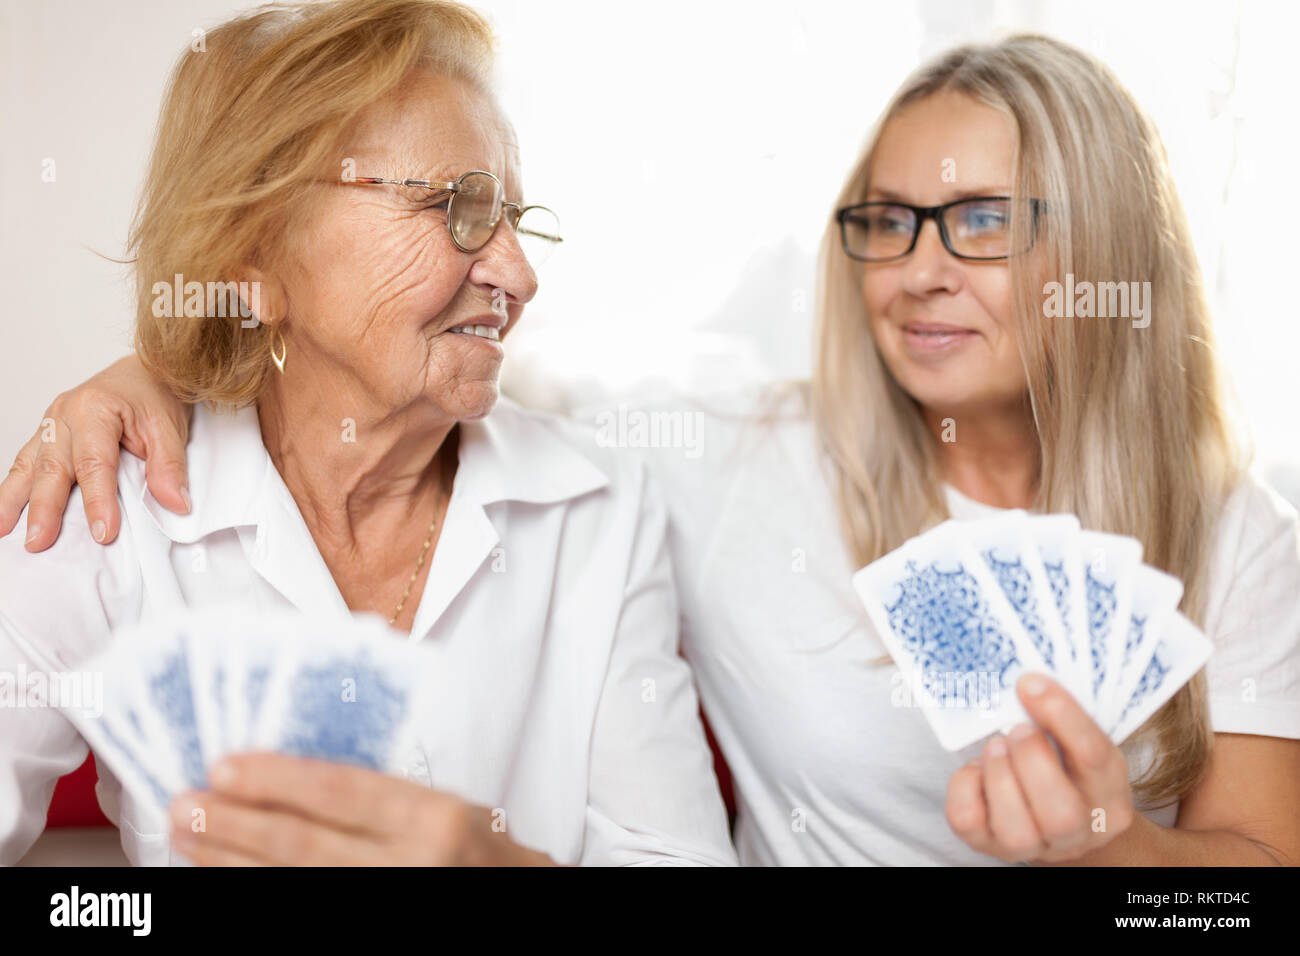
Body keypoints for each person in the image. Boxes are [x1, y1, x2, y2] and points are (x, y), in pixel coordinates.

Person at [8, 33, 1299, 865]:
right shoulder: (728, 453)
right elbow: (420, 361)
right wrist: (165, 364)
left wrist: (1115, 851)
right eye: (886, 221)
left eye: (978, 221)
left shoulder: (1246, 539)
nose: (914, 272)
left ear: (1111, 249)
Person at [0, 0, 736, 867]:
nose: (519, 274)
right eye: (456, 208)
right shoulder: (100, 505)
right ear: (255, 260)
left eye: (513, 217)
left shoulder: (597, 508)